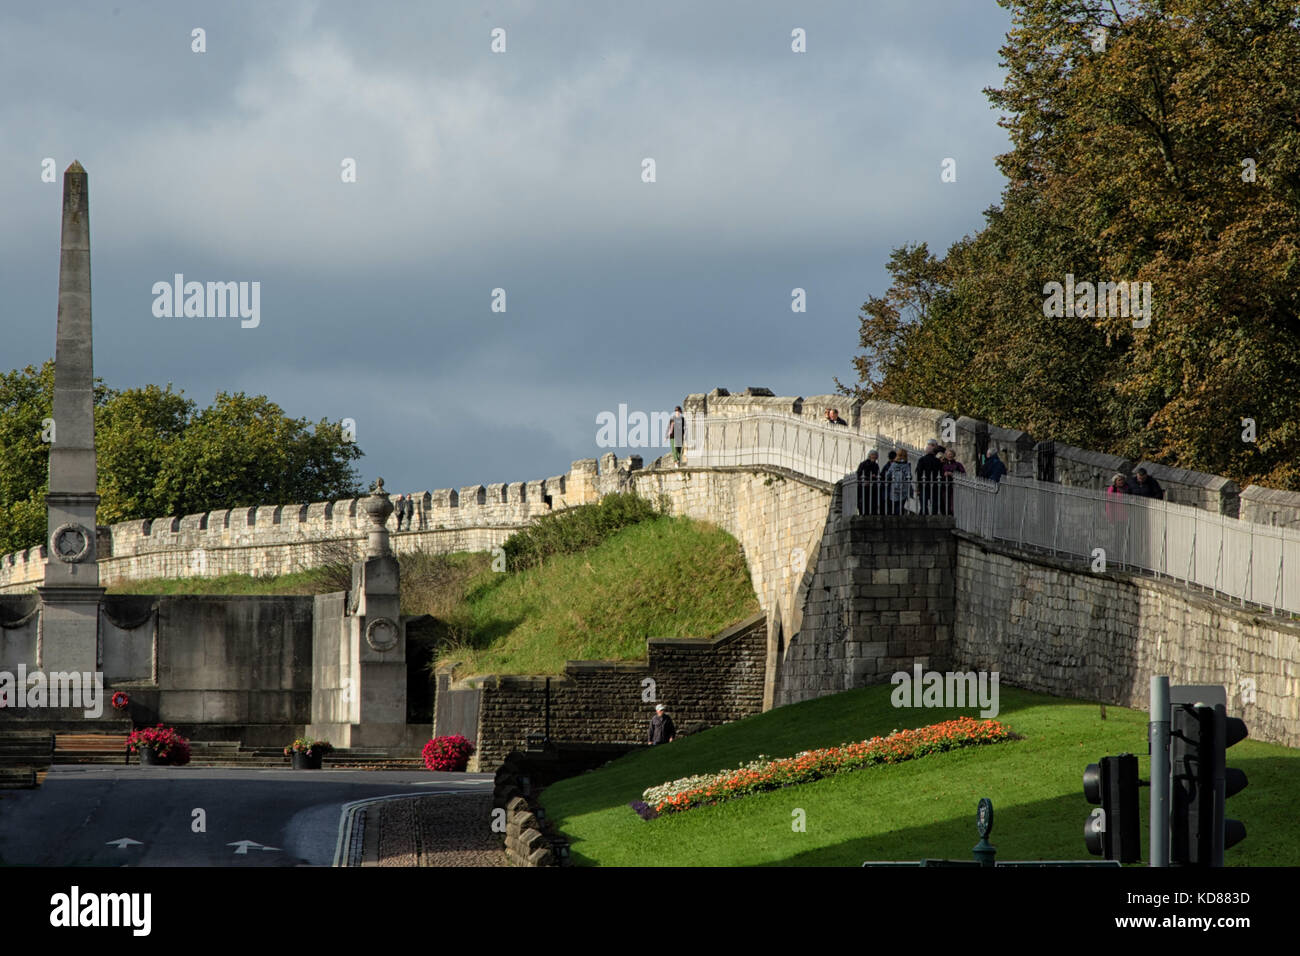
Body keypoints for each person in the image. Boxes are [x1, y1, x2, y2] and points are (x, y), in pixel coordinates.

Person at [915, 441, 944, 514]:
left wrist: (918, 484)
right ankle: (934, 514)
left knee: (924, 501)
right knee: (935, 501)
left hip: (924, 483)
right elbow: (941, 473)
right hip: (935, 483)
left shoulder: (922, 459)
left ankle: (924, 513)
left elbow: (919, 473)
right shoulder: (938, 461)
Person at [886, 448, 913, 515]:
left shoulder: (894, 464)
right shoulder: (906, 465)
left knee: (894, 505)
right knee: (900, 506)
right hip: (903, 488)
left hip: (894, 488)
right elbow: (909, 476)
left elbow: (887, 475)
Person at [941, 448, 966, 515]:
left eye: (951, 454)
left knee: (953, 503)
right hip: (944, 486)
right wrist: (944, 475)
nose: (950, 456)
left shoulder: (958, 465)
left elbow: (963, 474)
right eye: (948, 454)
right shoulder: (942, 464)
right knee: (945, 502)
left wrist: (952, 474)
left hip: (954, 486)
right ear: (946, 455)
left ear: (953, 455)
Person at [856, 449, 880, 515]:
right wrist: (864, 481)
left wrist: (874, 477)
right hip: (864, 488)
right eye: (873, 456)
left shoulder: (876, 465)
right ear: (870, 456)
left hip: (872, 488)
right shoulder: (863, 464)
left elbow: (878, 476)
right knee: (863, 503)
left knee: (871, 504)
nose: (874, 457)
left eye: (875, 456)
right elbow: (858, 475)